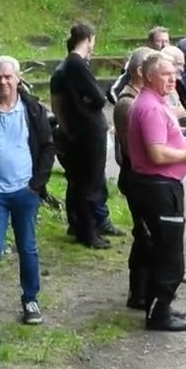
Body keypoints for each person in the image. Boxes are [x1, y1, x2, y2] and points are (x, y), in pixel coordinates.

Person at [0, 56, 57, 327]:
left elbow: (48, 146)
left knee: (28, 248)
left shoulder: (33, 110)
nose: (3, 81)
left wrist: (36, 185)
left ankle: (30, 299)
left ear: (18, 79)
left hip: (25, 192)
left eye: (8, 76)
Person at [127, 54, 186, 332]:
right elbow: (157, 153)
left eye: (174, 73)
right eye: (165, 74)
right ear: (149, 76)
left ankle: (161, 307)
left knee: (165, 250)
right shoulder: (150, 107)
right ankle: (158, 312)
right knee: (169, 255)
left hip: (162, 186)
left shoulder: (158, 103)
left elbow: (164, 140)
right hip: (158, 187)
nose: (172, 79)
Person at [50, 22, 117, 250]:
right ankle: (89, 232)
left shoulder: (63, 67)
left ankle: (80, 226)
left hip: (76, 130)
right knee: (90, 182)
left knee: (78, 182)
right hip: (89, 130)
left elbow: (57, 102)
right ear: (89, 39)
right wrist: (92, 100)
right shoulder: (78, 64)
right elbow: (99, 98)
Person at [114, 47, 160, 310]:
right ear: (141, 72)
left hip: (140, 176)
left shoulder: (138, 100)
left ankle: (143, 291)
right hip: (136, 177)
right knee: (144, 235)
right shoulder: (127, 104)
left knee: (147, 235)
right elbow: (135, 150)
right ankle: (139, 293)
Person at [106, 26, 170, 104]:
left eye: (166, 41)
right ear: (150, 44)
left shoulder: (171, 60)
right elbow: (114, 90)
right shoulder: (139, 60)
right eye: (159, 41)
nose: (164, 45)